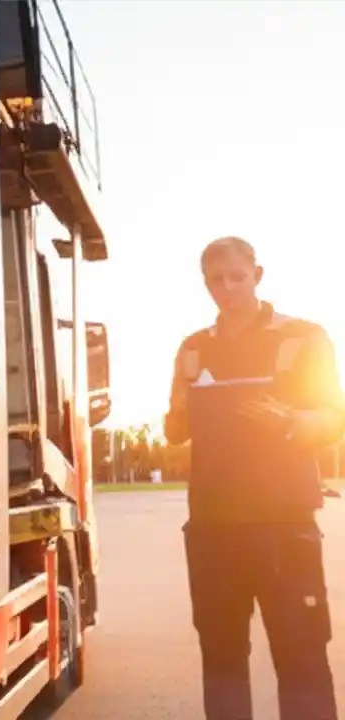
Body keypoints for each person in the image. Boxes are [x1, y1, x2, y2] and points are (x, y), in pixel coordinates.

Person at [164, 236, 344, 719]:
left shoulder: (304, 337)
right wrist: (188, 405)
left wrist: (291, 422)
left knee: (302, 656)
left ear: (258, 275)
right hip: (213, 528)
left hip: (284, 525)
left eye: (237, 277)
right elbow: (174, 430)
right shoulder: (194, 348)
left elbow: (335, 416)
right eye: (215, 280)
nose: (227, 288)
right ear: (205, 284)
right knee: (222, 658)